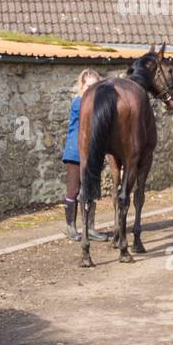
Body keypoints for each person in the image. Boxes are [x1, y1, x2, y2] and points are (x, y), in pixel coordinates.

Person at [62, 68, 107, 242]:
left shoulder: (97, 104)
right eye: (88, 86)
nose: (91, 90)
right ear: (82, 86)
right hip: (75, 151)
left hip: (91, 153)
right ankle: (71, 227)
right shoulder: (78, 102)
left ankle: (90, 228)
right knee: (73, 190)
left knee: (90, 191)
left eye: (95, 86)